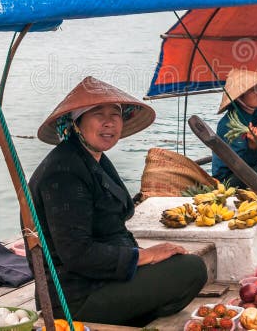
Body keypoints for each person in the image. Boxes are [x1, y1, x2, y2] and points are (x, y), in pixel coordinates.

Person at [27, 76, 207, 326]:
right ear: (77, 123)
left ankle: (131, 312)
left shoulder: (93, 158)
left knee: (180, 263)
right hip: (75, 297)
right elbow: (77, 254)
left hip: (106, 278)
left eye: (116, 114)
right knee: (191, 269)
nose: (109, 122)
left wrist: (144, 255)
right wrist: (146, 257)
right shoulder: (64, 171)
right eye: (98, 114)